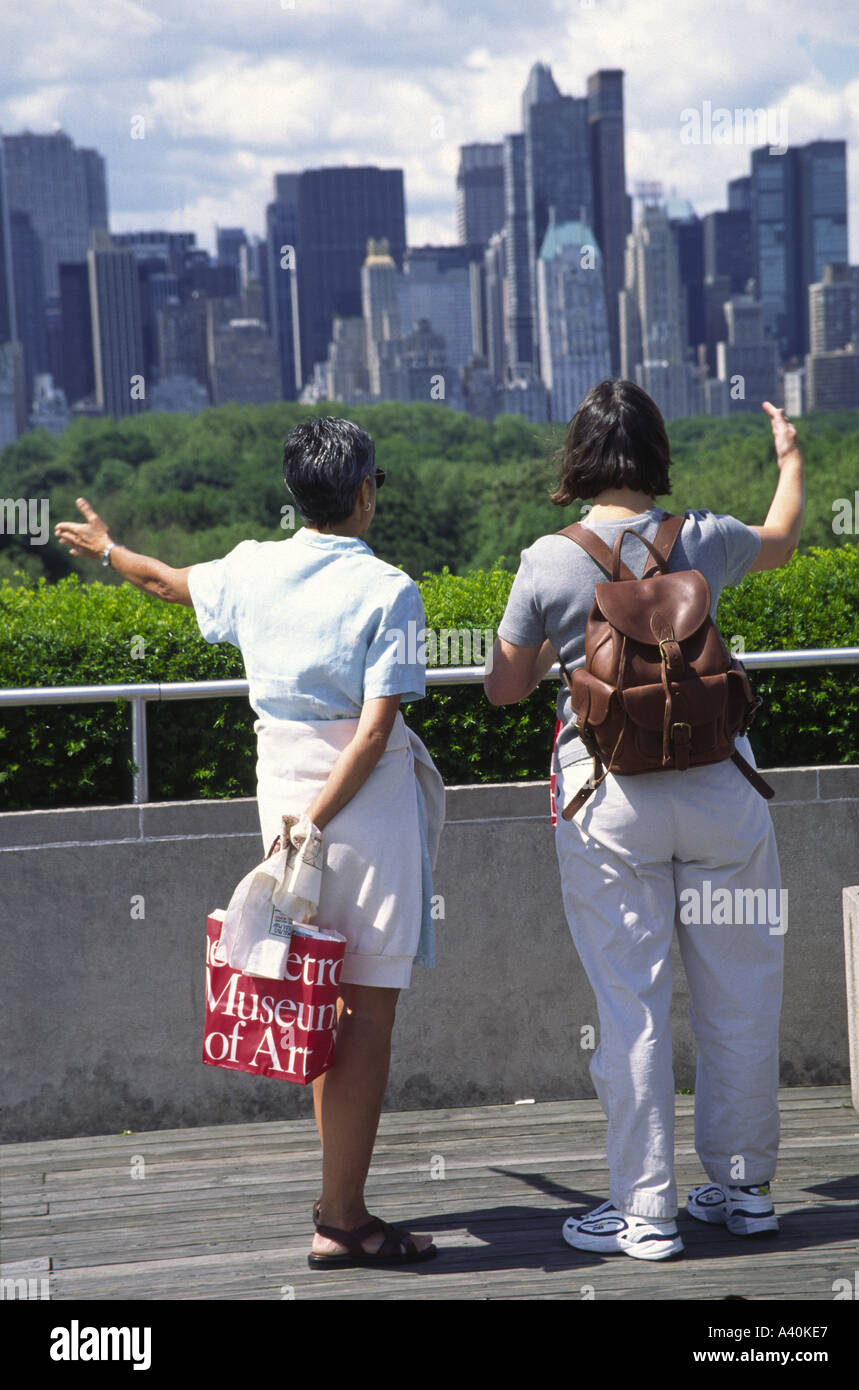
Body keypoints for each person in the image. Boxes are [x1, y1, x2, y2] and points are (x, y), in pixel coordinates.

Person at [54, 416, 444, 1270]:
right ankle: (343, 1216)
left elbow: (164, 584)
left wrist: (109, 547)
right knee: (366, 1007)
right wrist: (326, 814)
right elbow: (375, 735)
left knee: (310, 988)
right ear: (366, 492)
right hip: (362, 811)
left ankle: (338, 1204)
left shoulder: (252, 567)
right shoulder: (391, 590)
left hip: (281, 799)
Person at [485, 379, 804, 1261]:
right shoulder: (701, 537)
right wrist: (790, 458)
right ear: (657, 454)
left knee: (633, 1009)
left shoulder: (549, 560)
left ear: (577, 459)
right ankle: (745, 1191)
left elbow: (506, 690)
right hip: (724, 802)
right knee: (741, 996)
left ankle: (645, 1210)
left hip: (610, 808)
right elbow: (781, 540)